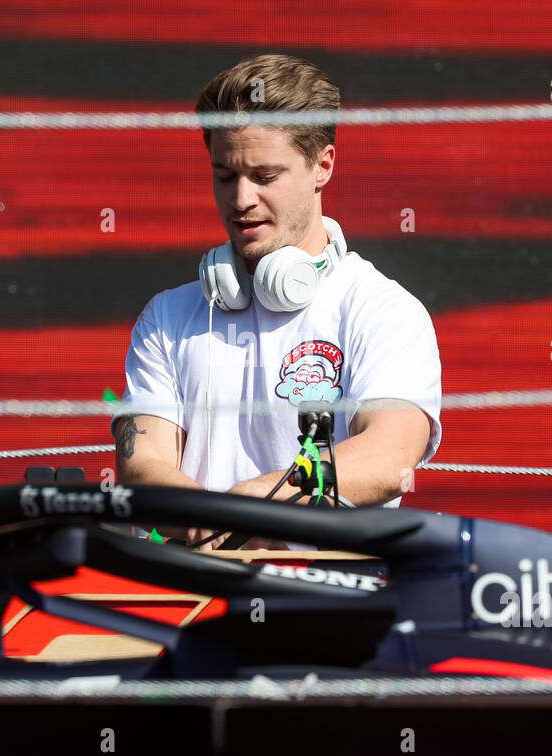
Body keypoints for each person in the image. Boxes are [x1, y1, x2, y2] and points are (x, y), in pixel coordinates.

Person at [111, 53, 442, 550]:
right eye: (225, 175)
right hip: (194, 600)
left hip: (330, 605)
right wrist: (215, 522)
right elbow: (142, 463)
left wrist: (257, 507)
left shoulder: (384, 311)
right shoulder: (167, 317)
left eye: (265, 177)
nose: (241, 199)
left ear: (322, 165)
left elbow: (389, 456)